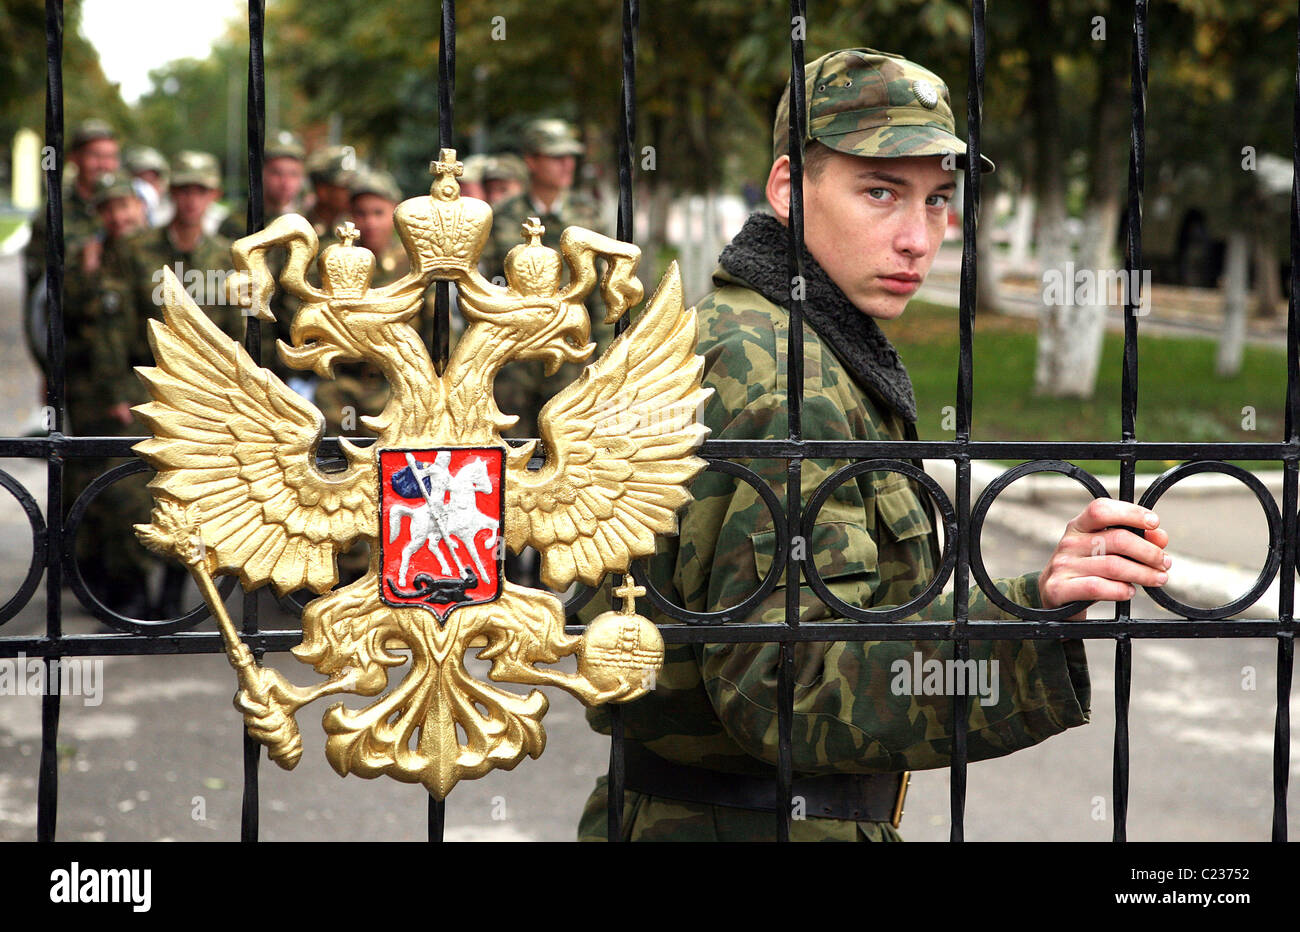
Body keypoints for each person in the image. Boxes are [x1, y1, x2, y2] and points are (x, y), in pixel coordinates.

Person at [576, 48, 1174, 842]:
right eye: (880, 193)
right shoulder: (781, 370)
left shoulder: (793, 339)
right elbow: (788, 688)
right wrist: (1029, 615)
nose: (917, 238)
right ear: (790, 189)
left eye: (936, 201)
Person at [62, 173, 156, 617]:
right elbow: (66, 314)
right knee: (95, 485)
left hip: (146, 384)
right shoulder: (90, 256)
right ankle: (105, 580)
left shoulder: (153, 255)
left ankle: (148, 586)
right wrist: (89, 272)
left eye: (126, 206)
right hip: (95, 389)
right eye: (110, 209)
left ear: (139, 209)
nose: (119, 217)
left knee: (133, 486)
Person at [23, 118, 121, 378]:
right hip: (74, 358)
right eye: (95, 156)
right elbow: (37, 299)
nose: (104, 165)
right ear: (75, 159)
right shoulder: (53, 212)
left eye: (111, 156)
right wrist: (48, 368)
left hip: (124, 358)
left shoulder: (128, 208)